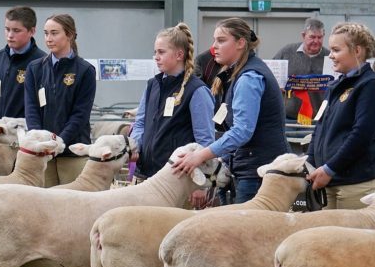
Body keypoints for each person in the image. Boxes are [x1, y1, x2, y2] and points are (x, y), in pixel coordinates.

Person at [172, 17, 289, 203]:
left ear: (241, 43)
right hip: (244, 169)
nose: (214, 47)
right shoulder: (234, 75)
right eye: (214, 40)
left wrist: (200, 156)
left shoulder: (249, 78)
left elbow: (242, 131)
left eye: (221, 40)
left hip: (256, 172)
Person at [23, 13, 95, 267]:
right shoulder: (35, 68)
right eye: (46, 33)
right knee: (46, 219)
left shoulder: (84, 70)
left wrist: (60, 140)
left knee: (76, 218)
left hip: (72, 153)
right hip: (44, 156)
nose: (48, 38)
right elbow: (31, 108)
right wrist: (40, 140)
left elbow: (81, 113)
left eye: (54, 33)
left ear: (70, 35)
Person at [306, 22, 375, 209]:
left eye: (336, 50)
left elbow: (361, 135)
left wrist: (330, 168)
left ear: (357, 51)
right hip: (329, 181)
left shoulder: (371, 86)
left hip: (356, 185)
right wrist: (310, 163)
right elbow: (320, 127)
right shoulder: (337, 86)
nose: (330, 55)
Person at [130, 22, 215, 207]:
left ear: (179, 55)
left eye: (161, 52)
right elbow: (140, 122)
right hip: (146, 175)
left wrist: (201, 184)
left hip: (176, 181)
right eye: (155, 52)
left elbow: (205, 140)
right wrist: (135, 145)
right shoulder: (152, 84)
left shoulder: (197, 91)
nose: (156, 57)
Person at [0, 6, 46, 154]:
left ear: (32, 31)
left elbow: (43, 108)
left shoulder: (42, 62)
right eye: (7, 29)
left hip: (24, 143)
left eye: (16, 30)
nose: (10, 35)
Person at [273, 18, 330, 120]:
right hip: (289, 117)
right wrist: (278, 86)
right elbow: (270, 76)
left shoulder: (330, 57)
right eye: (312, 37)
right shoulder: (287, 52)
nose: (316, 41)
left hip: (319, 118)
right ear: (303, 35)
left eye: (319, 37)